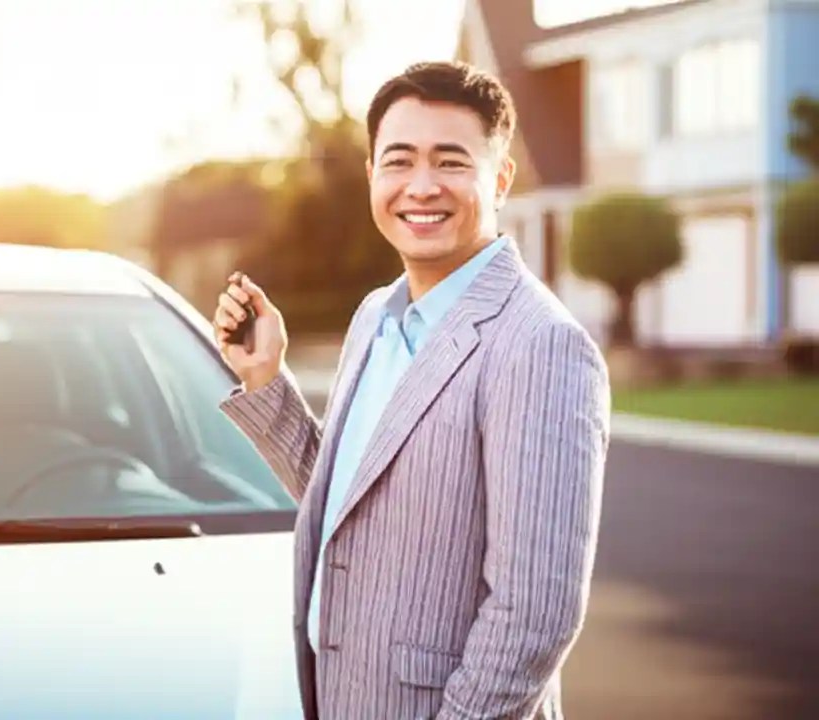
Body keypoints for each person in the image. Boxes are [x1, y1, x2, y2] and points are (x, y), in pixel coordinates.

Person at [212, 60, 610, 720]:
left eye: (451, 162)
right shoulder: (376, 315)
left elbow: (534, 615)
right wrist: (264, 377)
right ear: (372, 175)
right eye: (399, 161)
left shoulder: (540, 344)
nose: (421, 187)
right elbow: (349, 499)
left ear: (501, 178)